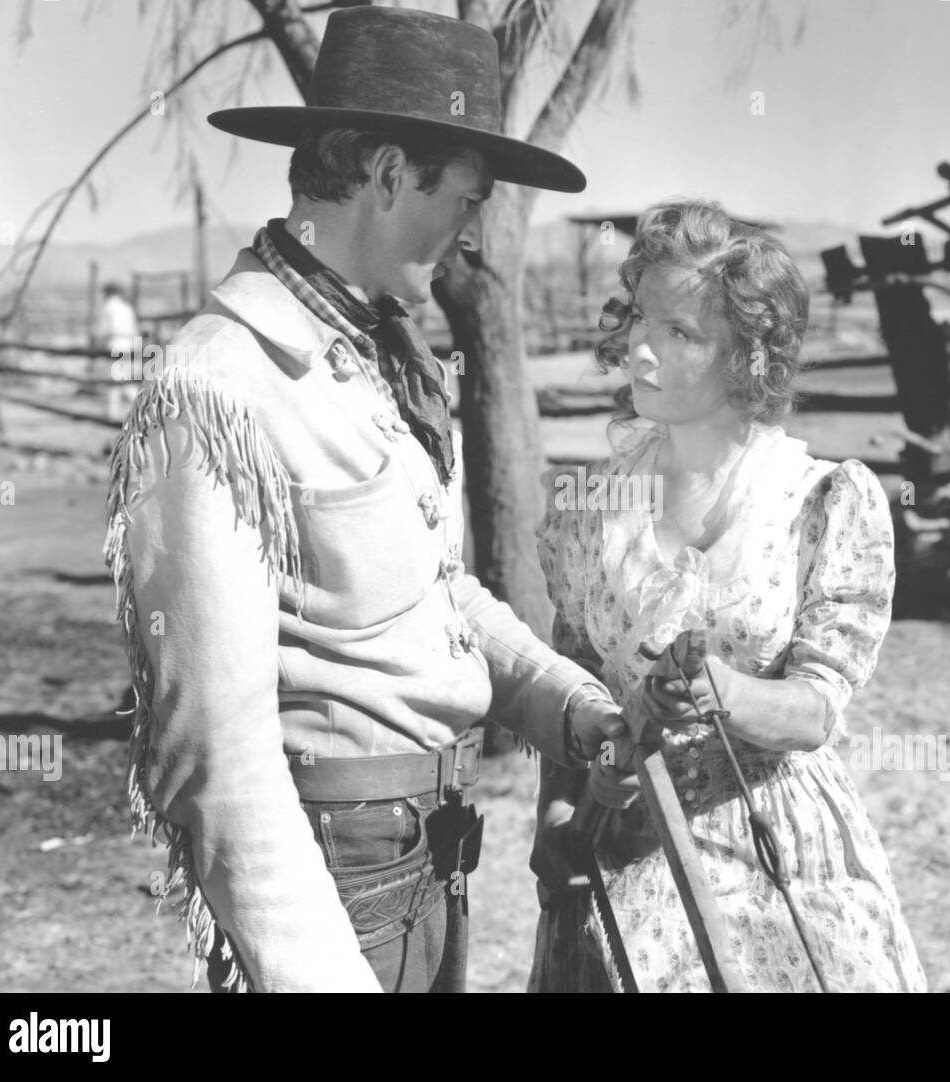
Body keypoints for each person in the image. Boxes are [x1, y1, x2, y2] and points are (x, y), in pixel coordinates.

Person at [103, 6, 629, 993]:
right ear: (389, 174)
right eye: (464, 201)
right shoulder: (219, 386)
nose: (469, 236)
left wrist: (567, 705)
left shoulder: (381, 365)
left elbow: (436, 592)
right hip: (330, 886)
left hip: (430, 862)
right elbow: (209, 754)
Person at [528, 200, 928, 992]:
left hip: (775, 851)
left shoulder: (820, 503)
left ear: (747, 355)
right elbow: (572, 678)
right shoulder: (587, 512)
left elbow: (816, 708)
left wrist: (726, 692)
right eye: (641, 319)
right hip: (623, 848)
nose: (641, 350)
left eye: (680, 334)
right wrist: (561, 811)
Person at [94, 281, 139, 422]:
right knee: (121, 379)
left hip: (114, 345)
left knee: (117, 381)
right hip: (128, 345)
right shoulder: (127, 308)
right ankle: (114, 411)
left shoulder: (107, 308)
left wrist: (98, 343)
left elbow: (102, 330)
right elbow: (134, 329)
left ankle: (138, 405)